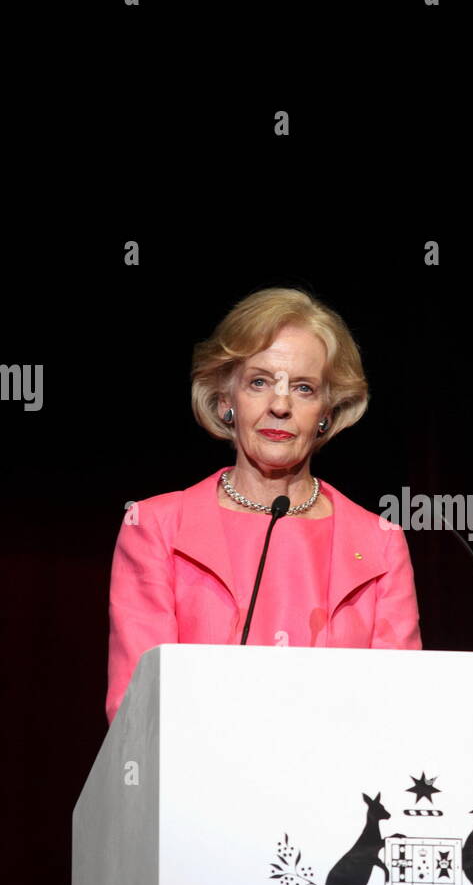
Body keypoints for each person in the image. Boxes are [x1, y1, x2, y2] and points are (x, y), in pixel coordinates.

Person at [106, 287, 422, 724]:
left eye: (304, 388)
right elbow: (138, 712)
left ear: (327, 412)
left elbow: (401, 710)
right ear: (225, 400)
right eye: (259, 382)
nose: (280, 405)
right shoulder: (156, 527)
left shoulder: (380, 543)